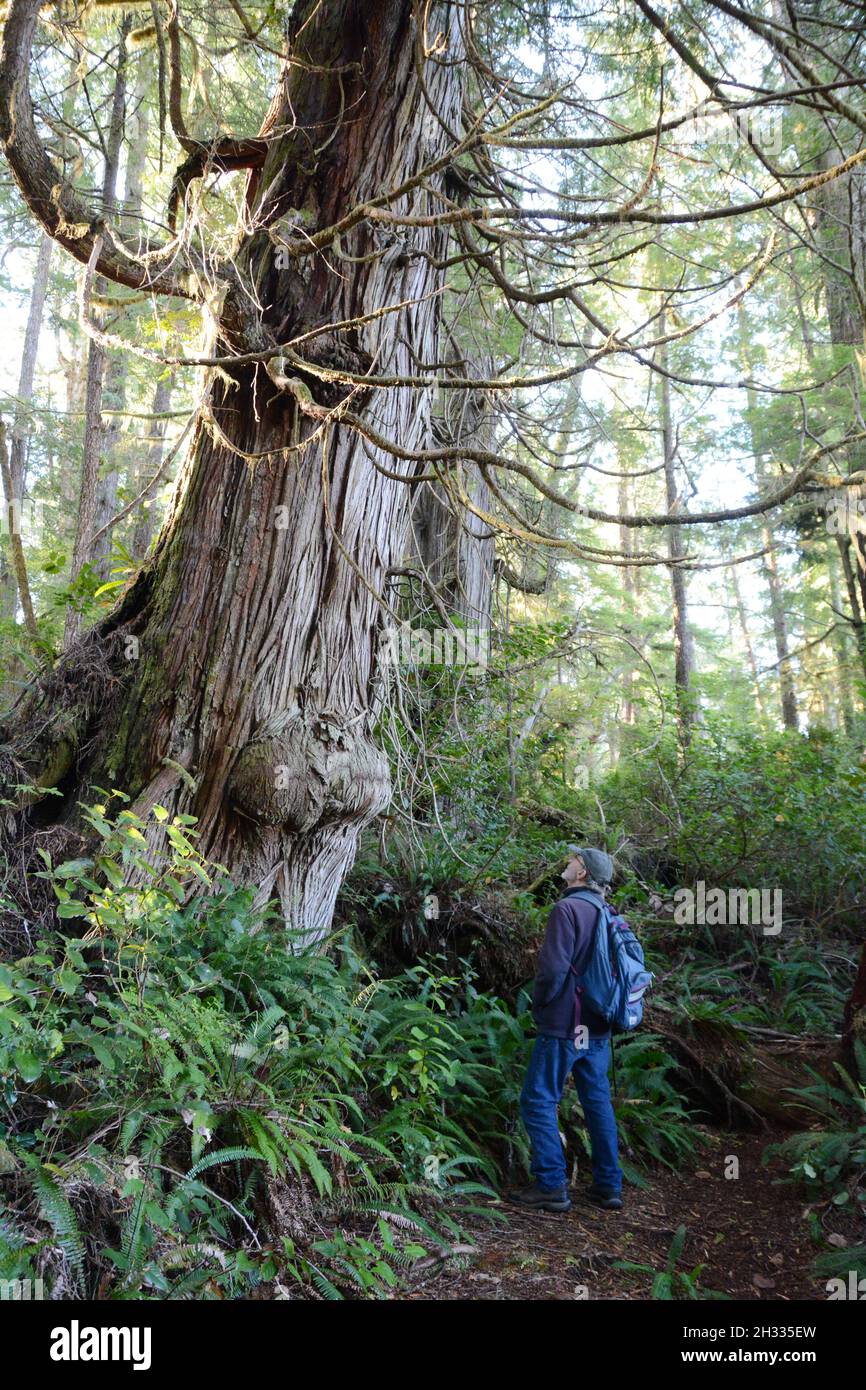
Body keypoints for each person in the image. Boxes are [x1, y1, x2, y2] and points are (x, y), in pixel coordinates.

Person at [508, 846, 624, 1214]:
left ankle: (552, 1185)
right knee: (597, 1102)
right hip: (599, 1024)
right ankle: (608, 1186)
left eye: (574, 861)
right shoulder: (609, 913)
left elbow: (554, 969)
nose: (568, 863)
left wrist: (540, 1005)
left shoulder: (567, 909)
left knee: (538, 1100)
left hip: (564, 1024)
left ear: (583, 874)